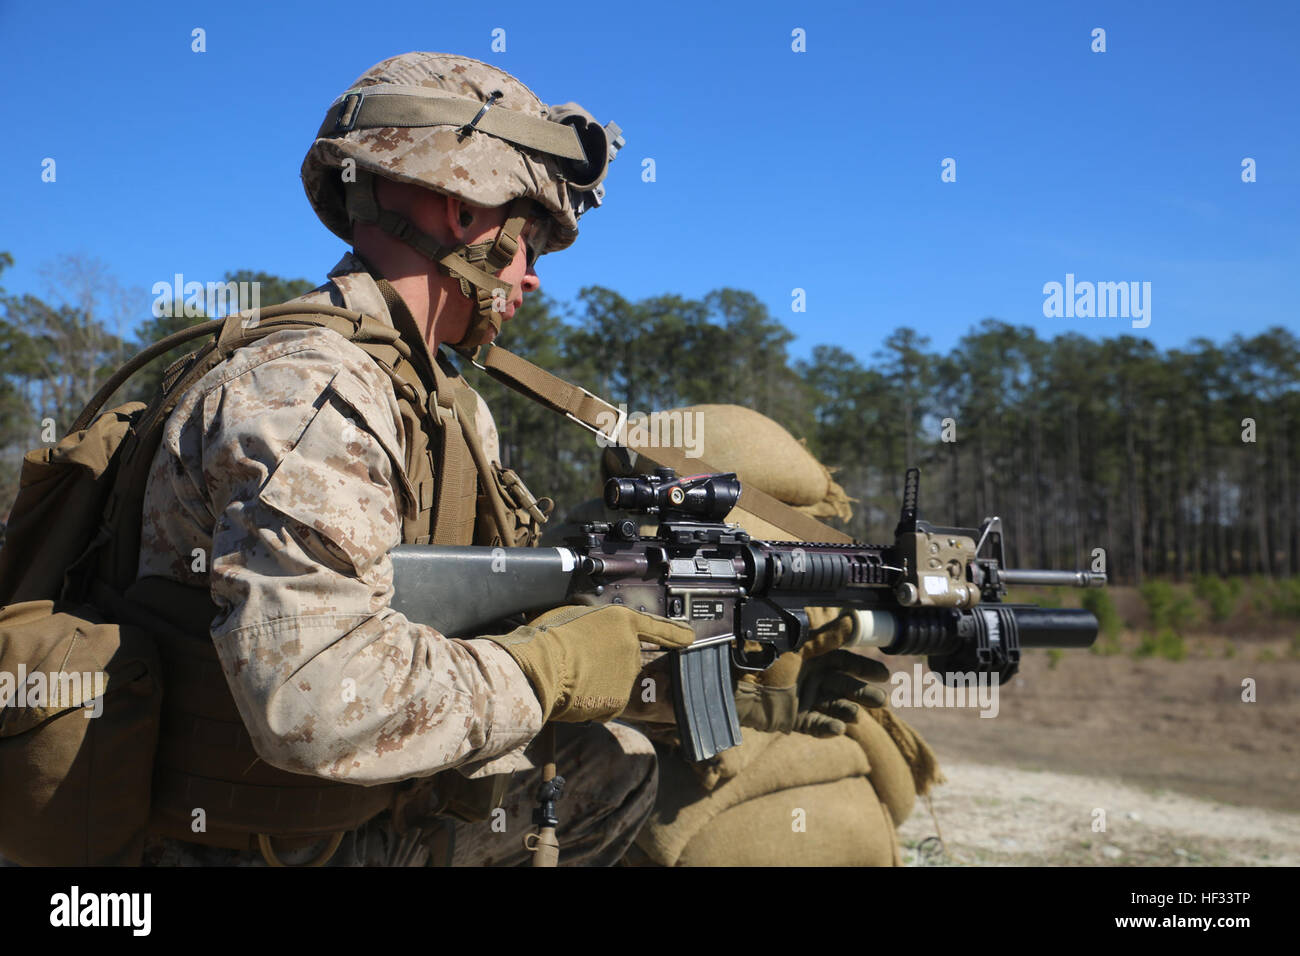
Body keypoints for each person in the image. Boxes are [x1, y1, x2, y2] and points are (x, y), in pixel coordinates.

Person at [133, 51, 693, 867]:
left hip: (304, 802)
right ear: (462, 210)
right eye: (526, 238)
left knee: (613, 762)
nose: (531, 278)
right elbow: (317, 700)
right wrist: (547, 669)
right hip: (232, 838)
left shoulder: (438, 400)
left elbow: (457, 612)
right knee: (608, 777)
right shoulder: (313, 389)